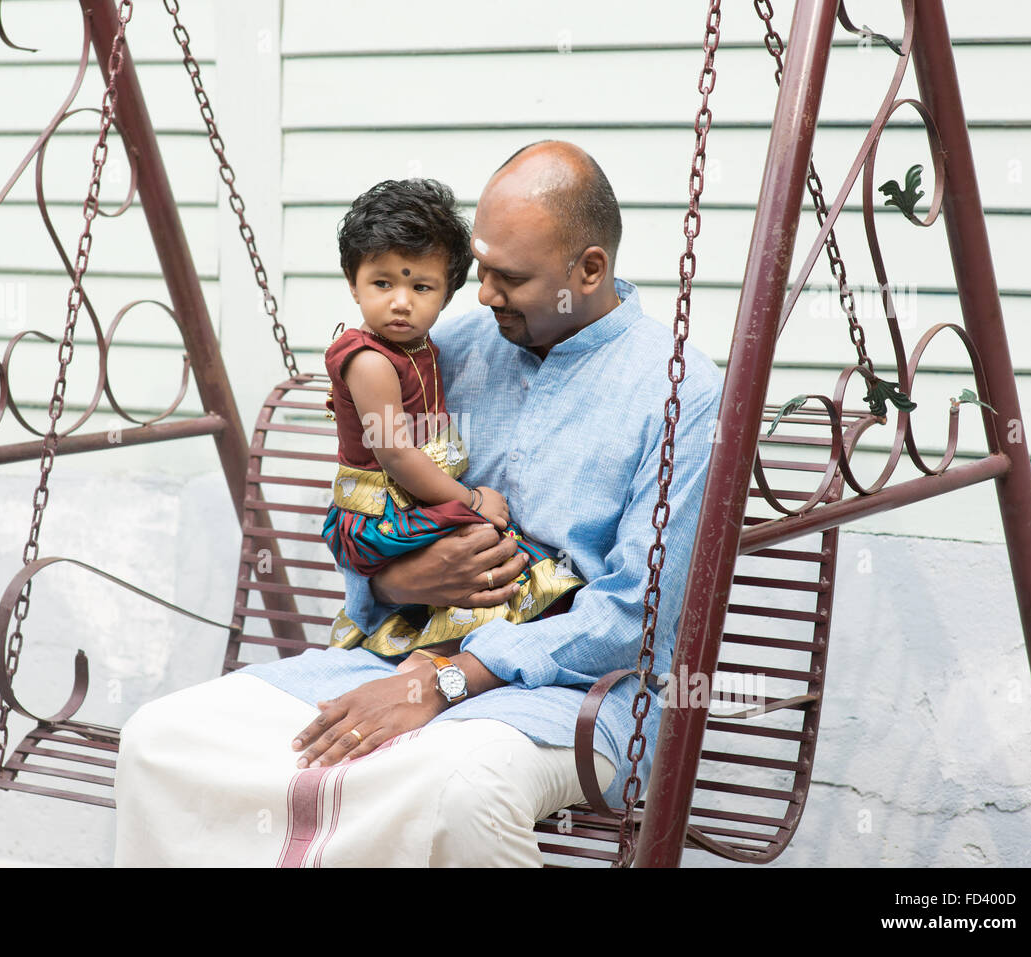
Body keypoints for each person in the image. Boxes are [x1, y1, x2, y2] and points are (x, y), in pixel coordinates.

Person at [113, 140, 724, 867]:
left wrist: (445, 679)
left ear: (588, 270)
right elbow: (364, 520)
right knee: (163, 737)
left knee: (459, 789)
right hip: (392, 653)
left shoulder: (680, 389)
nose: (483, 294)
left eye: (508, 278)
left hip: (574, 698)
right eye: (480, 268)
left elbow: (634, 617)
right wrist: (399, 581)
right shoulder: (444, 349)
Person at [321, 177, 584, 662]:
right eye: (382, 283)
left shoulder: (421, 347)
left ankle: (476, 634)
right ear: (352, 282)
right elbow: (396, 454)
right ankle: (446, 644)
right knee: (488, 536)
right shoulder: (372, 361)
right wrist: (472, 498)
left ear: (446, 295)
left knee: (492, 547)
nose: (401, 301)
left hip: (414, 496)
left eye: (421, 287)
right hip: (384, 511)